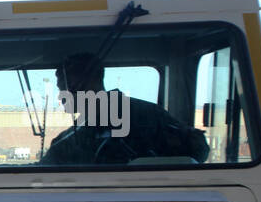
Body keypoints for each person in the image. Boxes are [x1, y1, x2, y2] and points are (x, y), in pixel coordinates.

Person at [41, 53, 209, 166]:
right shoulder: (76, 133)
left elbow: (196, 147)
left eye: (65, 87)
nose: (61, 97)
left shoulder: (145, 116)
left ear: (91, 82)